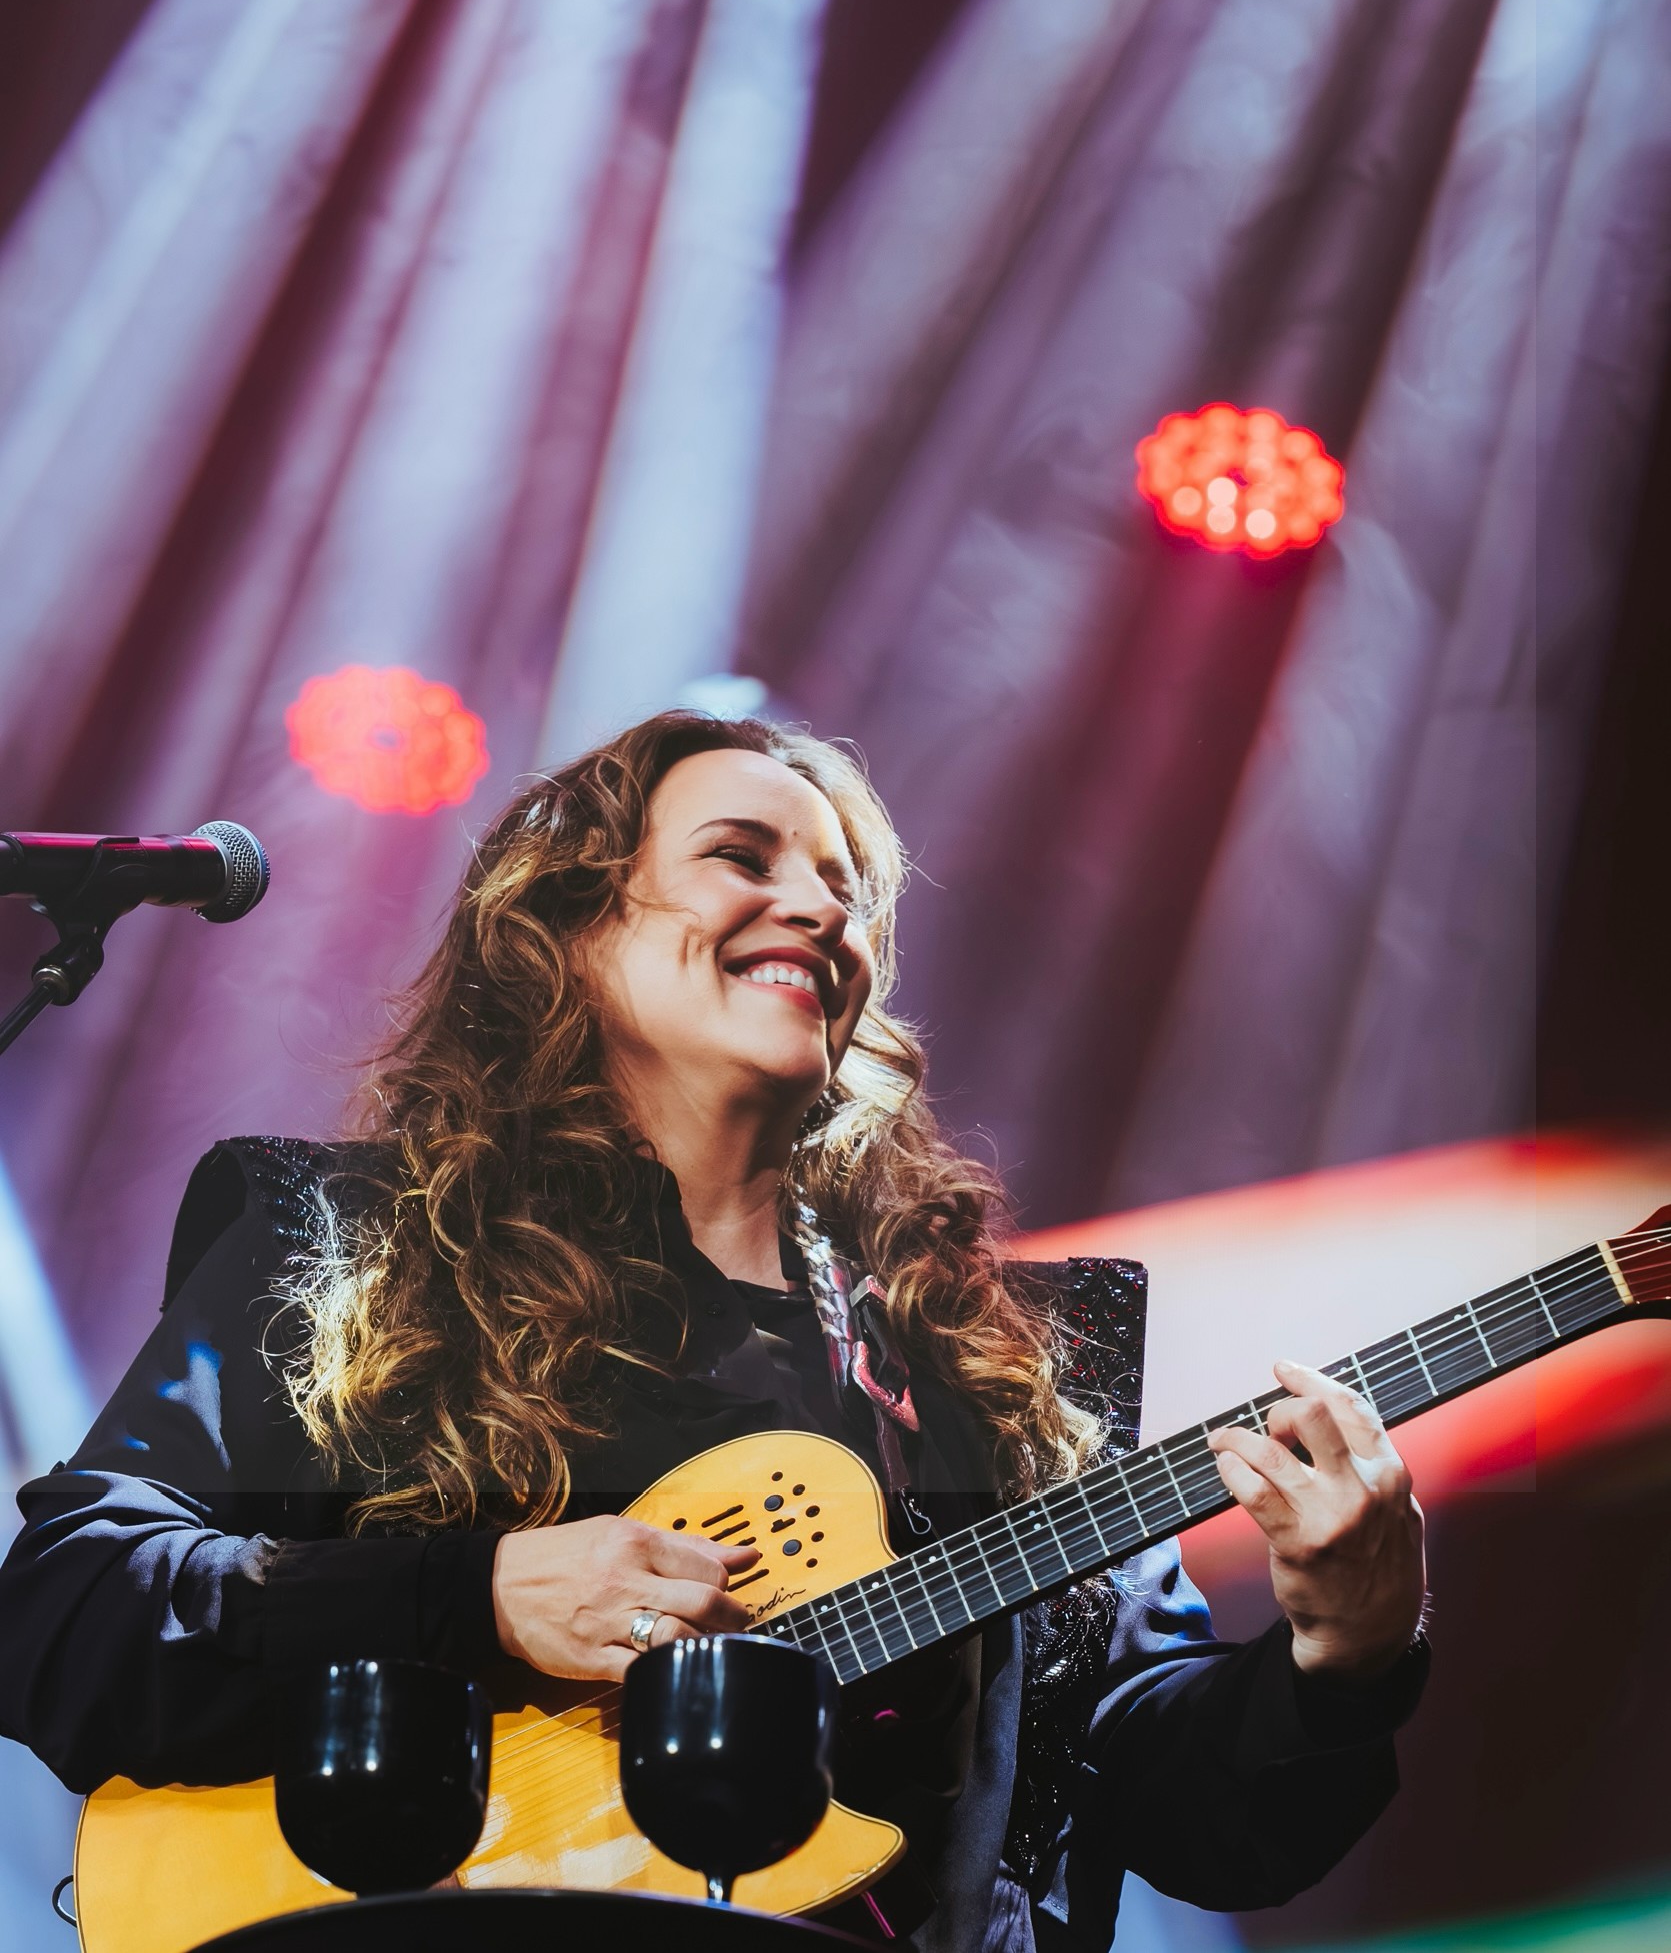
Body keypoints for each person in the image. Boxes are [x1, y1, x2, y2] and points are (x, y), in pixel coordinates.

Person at [0, 712, 1428, 1953]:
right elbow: (64, 1612)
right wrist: (476, 1598)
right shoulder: (347, 1251)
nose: (822, 908)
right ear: (571, 924)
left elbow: (1181, 1811)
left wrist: (1342, 1654)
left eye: (848, 887)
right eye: (745, 857)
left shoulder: (994, 1369)